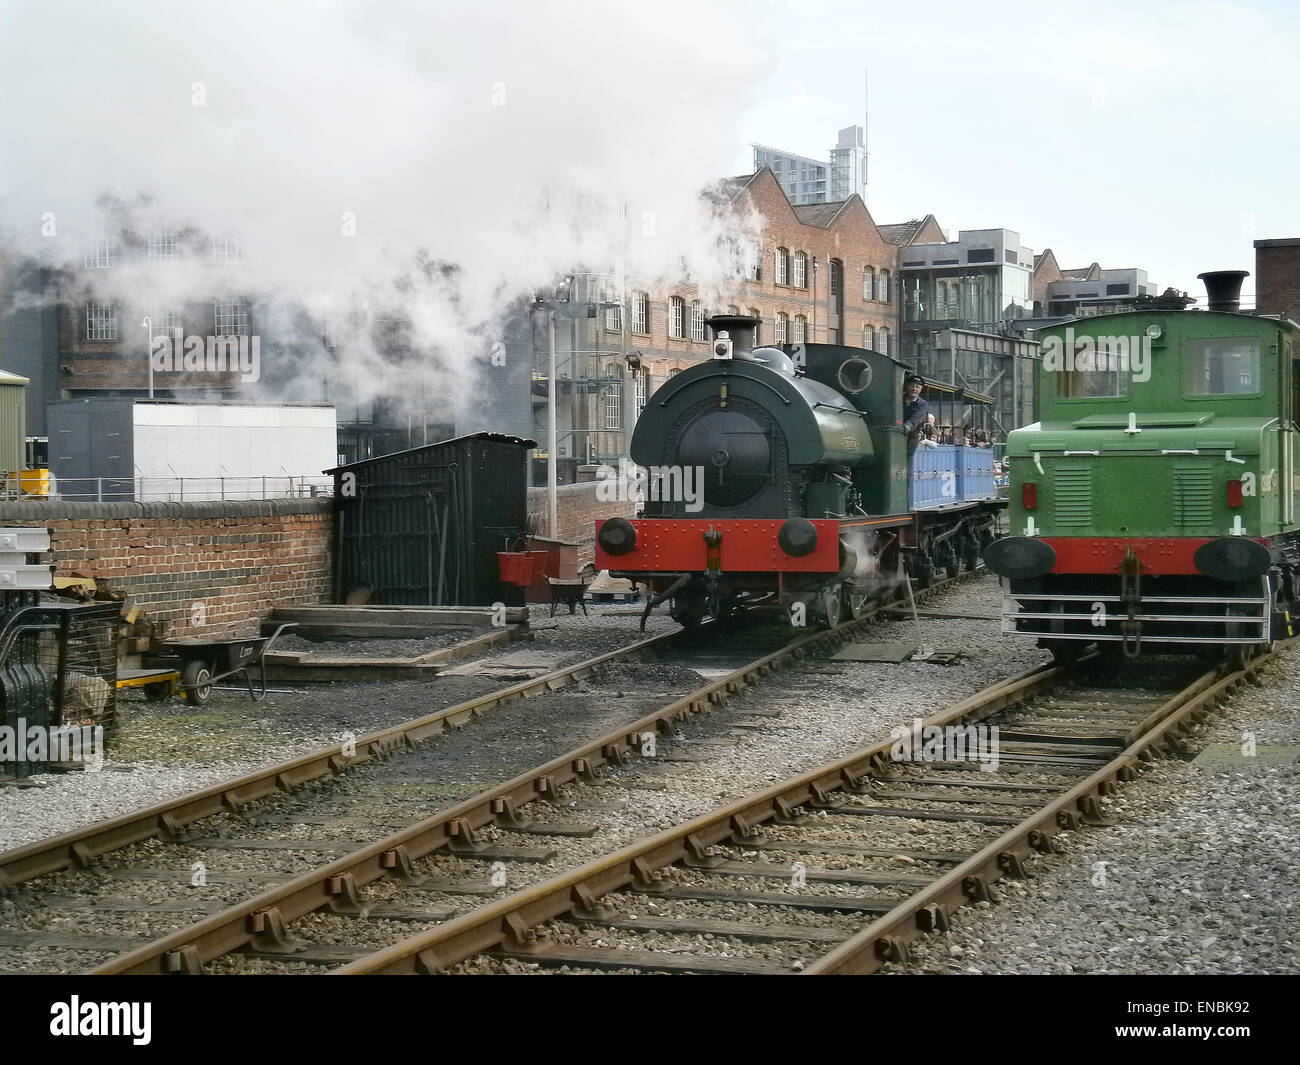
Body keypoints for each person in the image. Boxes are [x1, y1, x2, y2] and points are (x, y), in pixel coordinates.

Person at [902, 375, 930, 447]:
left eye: (917, 387)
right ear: (907, 386)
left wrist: (908, 426)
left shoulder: (923, 404)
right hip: (895, 434)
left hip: (911, 438)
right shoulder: (898, 399)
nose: (914, 389)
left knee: (908, 457)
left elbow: (916, 418)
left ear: (921, 389)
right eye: (912, 386)